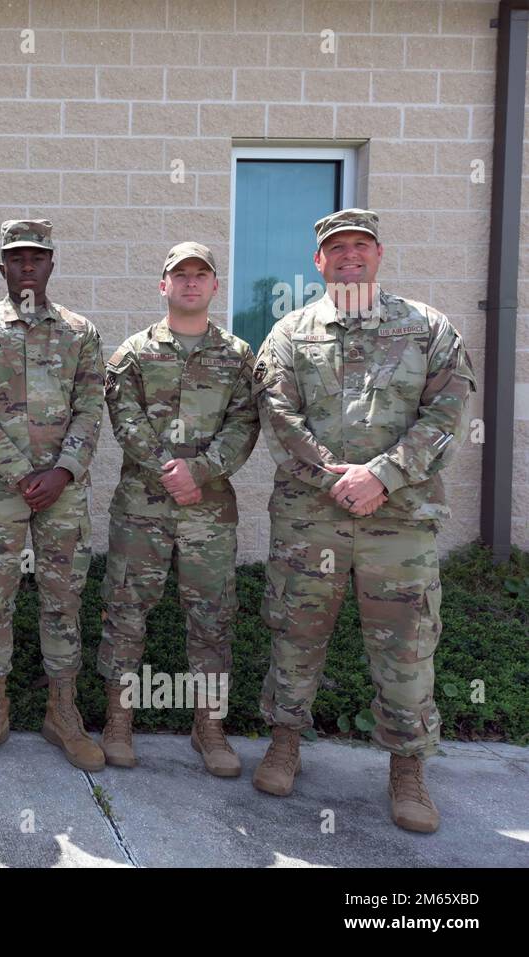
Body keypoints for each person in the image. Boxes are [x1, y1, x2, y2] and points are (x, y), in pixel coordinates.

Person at [252, 208, 476, 833]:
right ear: (318, 261)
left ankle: (408, 770)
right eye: (336, 248)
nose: (349, 256)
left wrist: (382, 476)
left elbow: (448, 413)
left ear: (379, 255)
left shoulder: (428, 329)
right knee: (295, 632)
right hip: (310, 518)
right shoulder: (291, 334)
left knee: (407, 647)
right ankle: (284, 742)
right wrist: (337, 478)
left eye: (361, 246)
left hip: (399, 521)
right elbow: (278, 417)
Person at [0, 219, 107, 771]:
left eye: (36, 257)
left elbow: (91, 405)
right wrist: (20, 473)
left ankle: (63, 712)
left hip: (63, 492)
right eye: (16, 258)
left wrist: (63, 471)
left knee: (63, 602)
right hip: (0, 490)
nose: (27, 266)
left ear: (51, 264)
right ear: (2, 268)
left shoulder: (80, 332)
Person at [98, 242, 260, 775]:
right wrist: (171, 469)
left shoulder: (238, 357)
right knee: (125, 612)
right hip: (142, 507)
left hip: (208, 513)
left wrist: (202, 471)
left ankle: (208, 726)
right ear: (163, 285)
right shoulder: (133, 353)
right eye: (180, 275)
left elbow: (245, 425)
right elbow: (125, 420)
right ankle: (118, 719)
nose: (190, 283)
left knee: (212, 619)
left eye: (201, 275)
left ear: (215, 286)